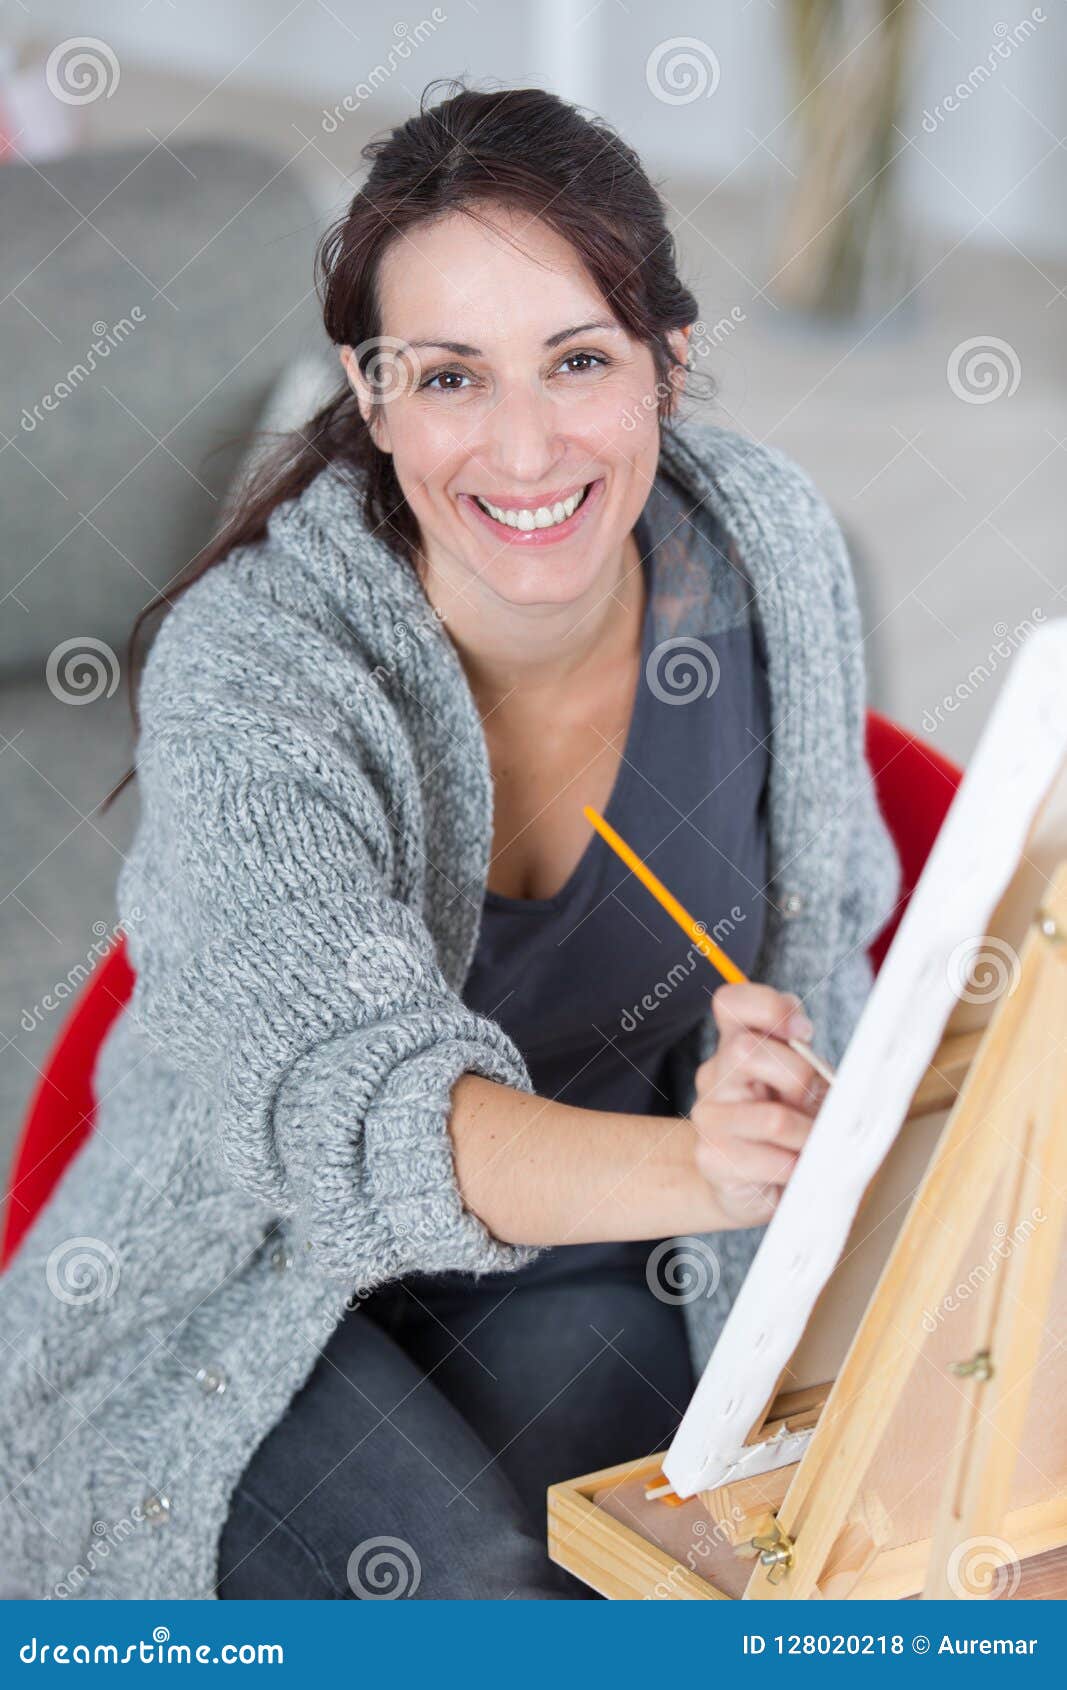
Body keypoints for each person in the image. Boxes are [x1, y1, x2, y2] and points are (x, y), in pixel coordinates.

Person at [0, 80, 899, 1601]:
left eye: (578, 361)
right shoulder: (261, 664)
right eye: (449, 377)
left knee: (766, 1571)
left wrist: (791, 1081)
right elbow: (362, 1124)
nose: (529, 448)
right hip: (257, 1297)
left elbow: (828, 934)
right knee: (483, 1596)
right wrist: (713, 1162)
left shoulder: (766, 547)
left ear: (668, 362)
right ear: (369, 389)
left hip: (616, 1267)